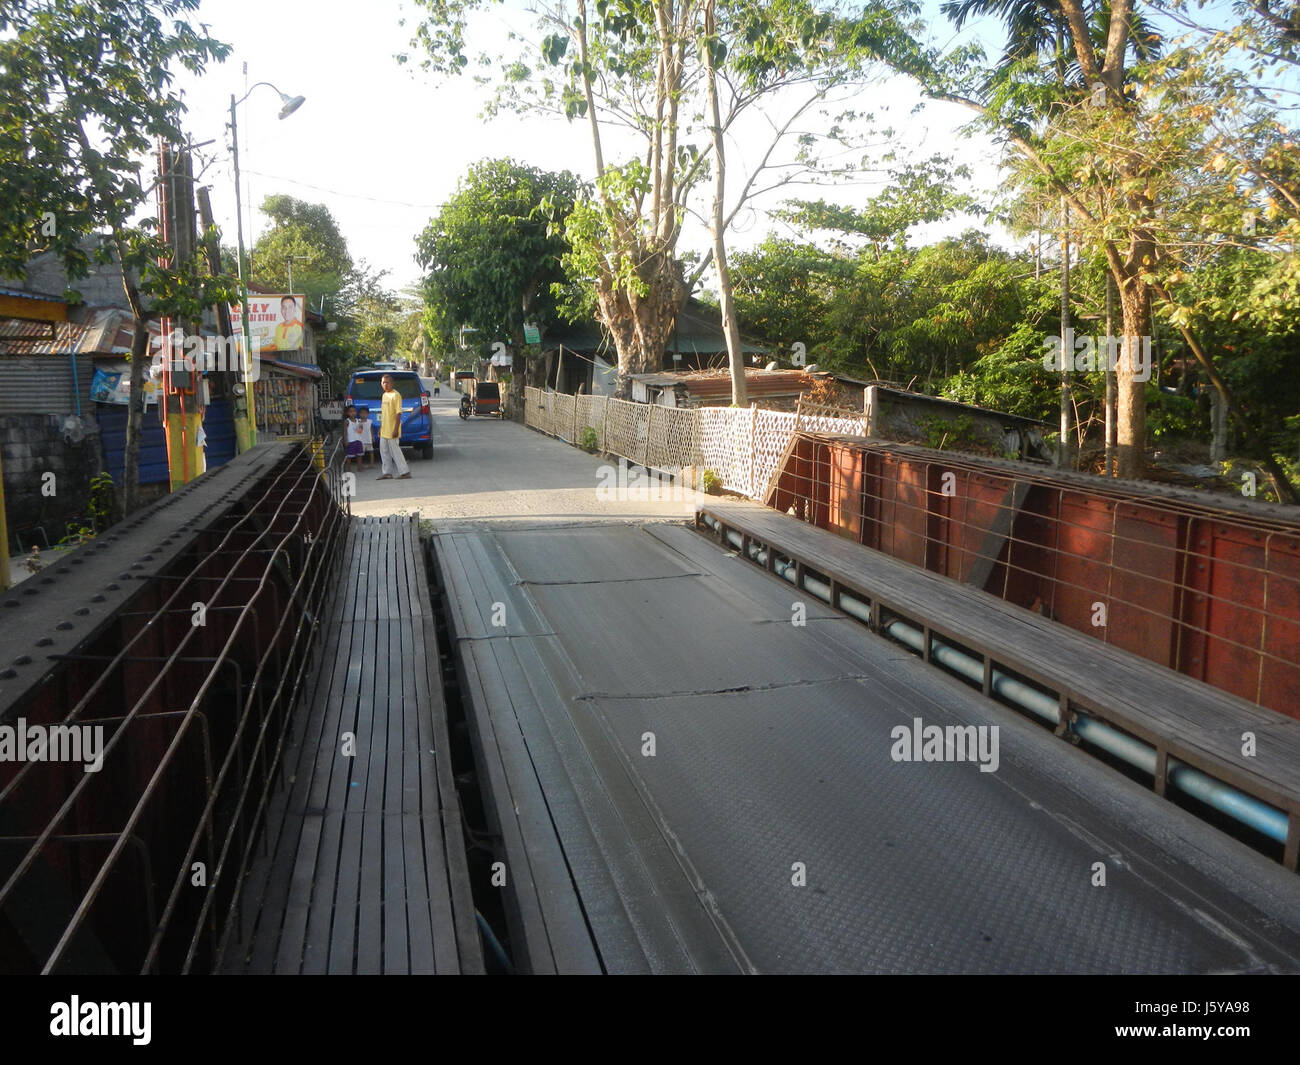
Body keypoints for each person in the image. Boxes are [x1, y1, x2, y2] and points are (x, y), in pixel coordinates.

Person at [377, 375, 411, 480]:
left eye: (387, 382)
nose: (385, 384)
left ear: (392, 383)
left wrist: (396, 429)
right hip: (384, 430)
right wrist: (381, 427)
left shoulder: (396, 395)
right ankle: (387, 473)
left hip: (393, 430)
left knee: (395, 452)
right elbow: (384, 413)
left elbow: (398, 414)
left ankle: (405, 472)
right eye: (383, 382)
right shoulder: (384, 395)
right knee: (384, 451)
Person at [343, 404, 365, 470]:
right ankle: (348, 468)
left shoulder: (359, 421)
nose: (353, 413)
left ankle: (359, 467)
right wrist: (345, 440)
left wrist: (360, 427)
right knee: (349, 456)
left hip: (358, 440)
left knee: (359, 455)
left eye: (354, 411)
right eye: (351, 411)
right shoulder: (347, 421)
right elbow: (345, 432)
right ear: (347, 413)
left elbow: (360, 431)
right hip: (351, 441)